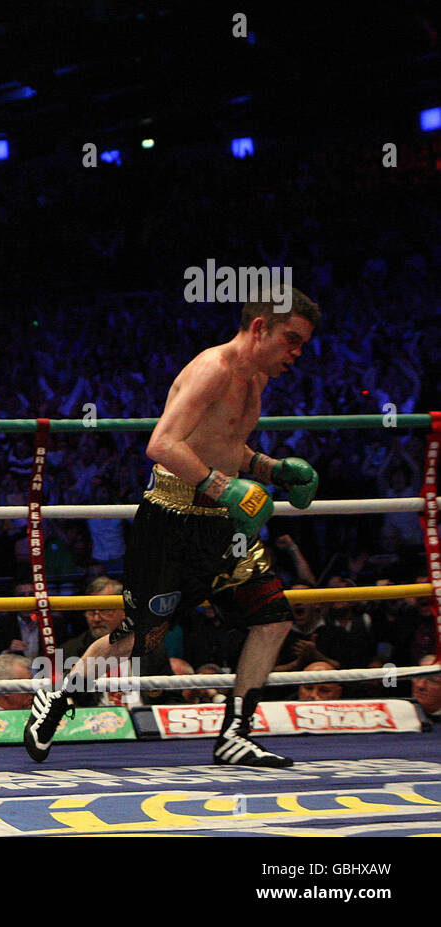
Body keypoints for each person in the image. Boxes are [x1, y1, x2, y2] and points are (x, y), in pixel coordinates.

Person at [25, 291, 321, 767]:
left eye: (303, 344)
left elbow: (228, 449)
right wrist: (225, 487)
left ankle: (235, 735)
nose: (297, 353)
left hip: (221, 529)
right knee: (138, 640)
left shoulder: (256, 379)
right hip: (171, 524)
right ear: (260, 327)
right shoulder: (213, 370)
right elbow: (162, 444)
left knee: (273, 617)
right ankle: (59, 697)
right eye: (292, 340)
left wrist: (275, 469)